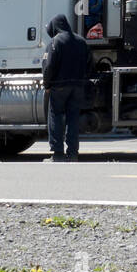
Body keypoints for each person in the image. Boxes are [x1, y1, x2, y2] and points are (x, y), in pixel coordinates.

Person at [42, 14, 90, 162]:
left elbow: (48, 66)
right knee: (73, 118)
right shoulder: (81, 41)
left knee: (55, 116)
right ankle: (73, 153)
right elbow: (90, 64)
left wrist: (47, 84)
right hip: (78, 86)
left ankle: (57, 154)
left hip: (59, 86)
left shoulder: (55, 42)